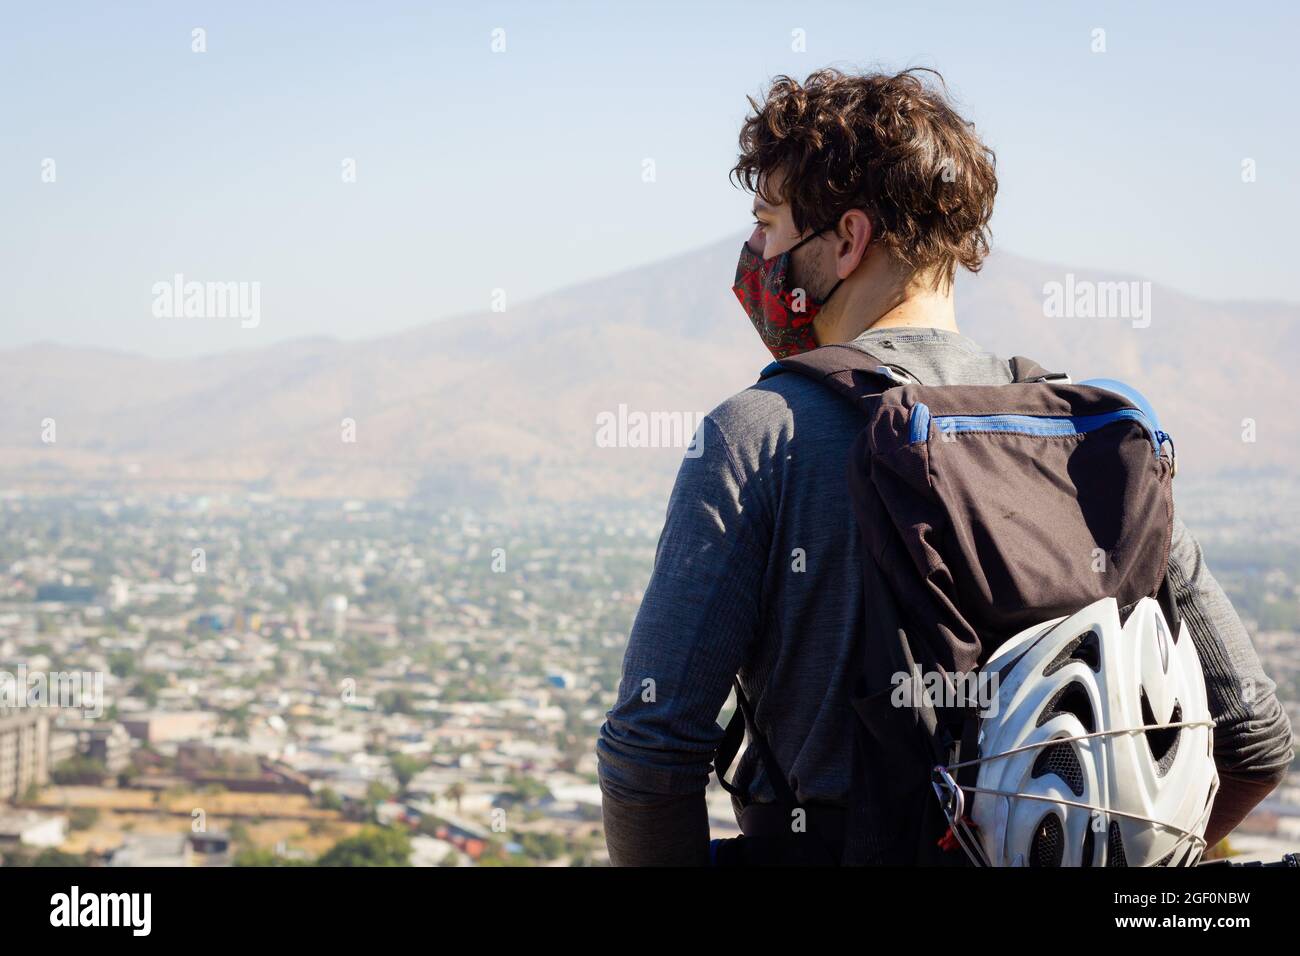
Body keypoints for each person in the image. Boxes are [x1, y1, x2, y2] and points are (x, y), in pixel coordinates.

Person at [595, 67, 1294, 866]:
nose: (758, 251)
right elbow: (1255, 740)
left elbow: (650, 756)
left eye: (770, 224)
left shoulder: (761, 433)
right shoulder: (1101, 442)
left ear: (848, 240)